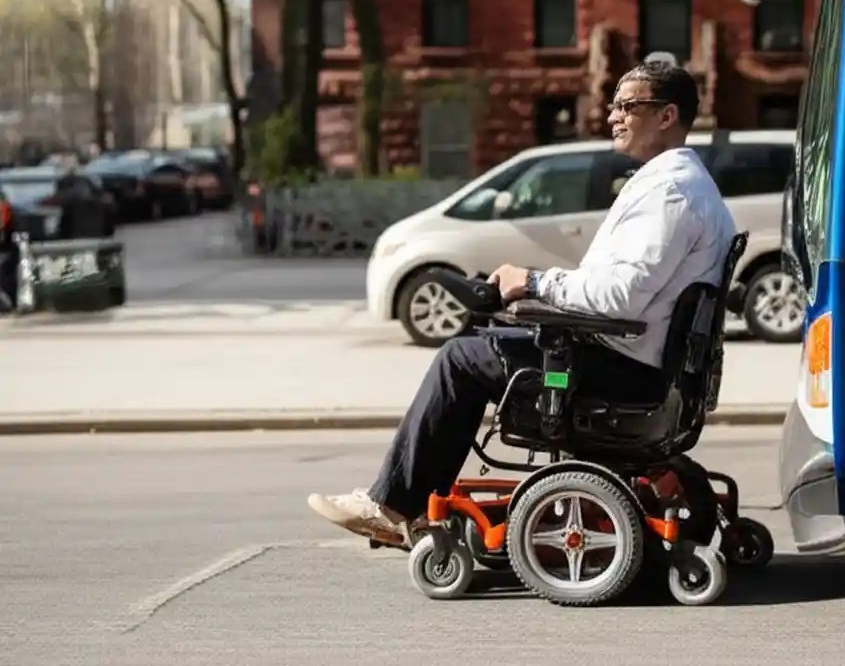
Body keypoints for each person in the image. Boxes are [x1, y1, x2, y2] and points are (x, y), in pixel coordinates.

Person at [307, 61, 738, 547]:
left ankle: (394, 507)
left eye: (627, 106)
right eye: (613, 105)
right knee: (482, 340)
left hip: (626, 370)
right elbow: (619, 288)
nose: (612, 116)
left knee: (461, 359)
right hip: (637, 358)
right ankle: (408, 496)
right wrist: (531, 294)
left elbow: (619, 297)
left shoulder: (671, 194)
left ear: (667, 115)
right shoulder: (677, 185)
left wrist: (532, 282)